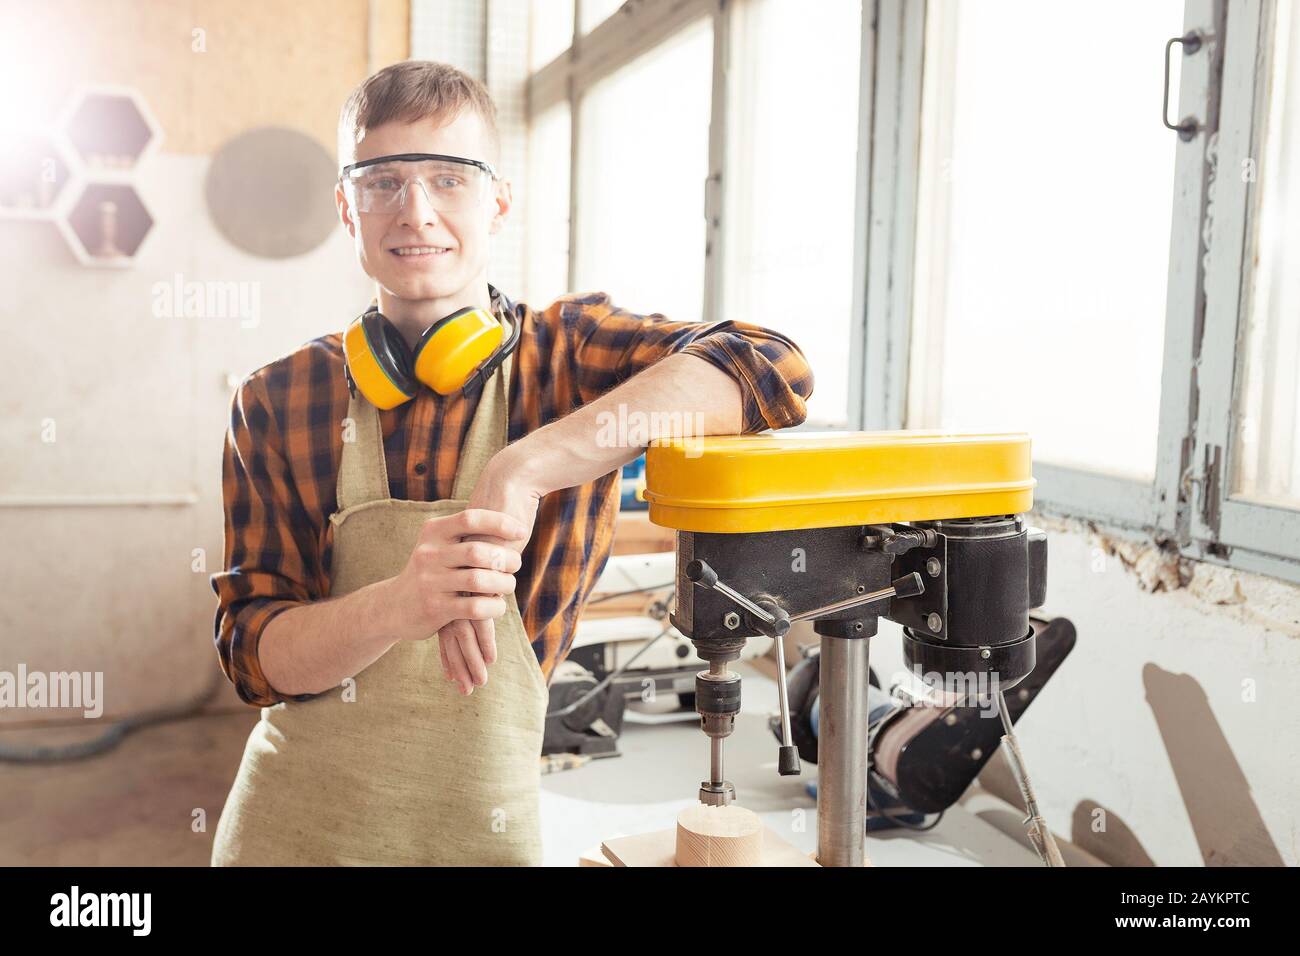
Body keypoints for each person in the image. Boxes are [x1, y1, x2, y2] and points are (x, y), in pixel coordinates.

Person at [209, 60, 813, 865]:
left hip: (483, 838)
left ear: (497, 201)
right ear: (346, 211)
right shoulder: (276, 399)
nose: (415, 211)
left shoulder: (570, 357)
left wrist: (525, 466)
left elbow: (770, 365)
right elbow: (253, 654)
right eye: (382, 181)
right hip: (291, 835)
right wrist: (399, 605)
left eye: (448, 179)